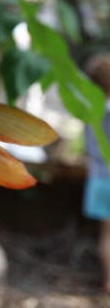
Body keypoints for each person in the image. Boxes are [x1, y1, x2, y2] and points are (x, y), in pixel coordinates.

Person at [84, 53, 110, 293]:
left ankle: (108, 280)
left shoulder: (90, 110)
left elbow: (88, 147)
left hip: (99, 178)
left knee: (107, 234)